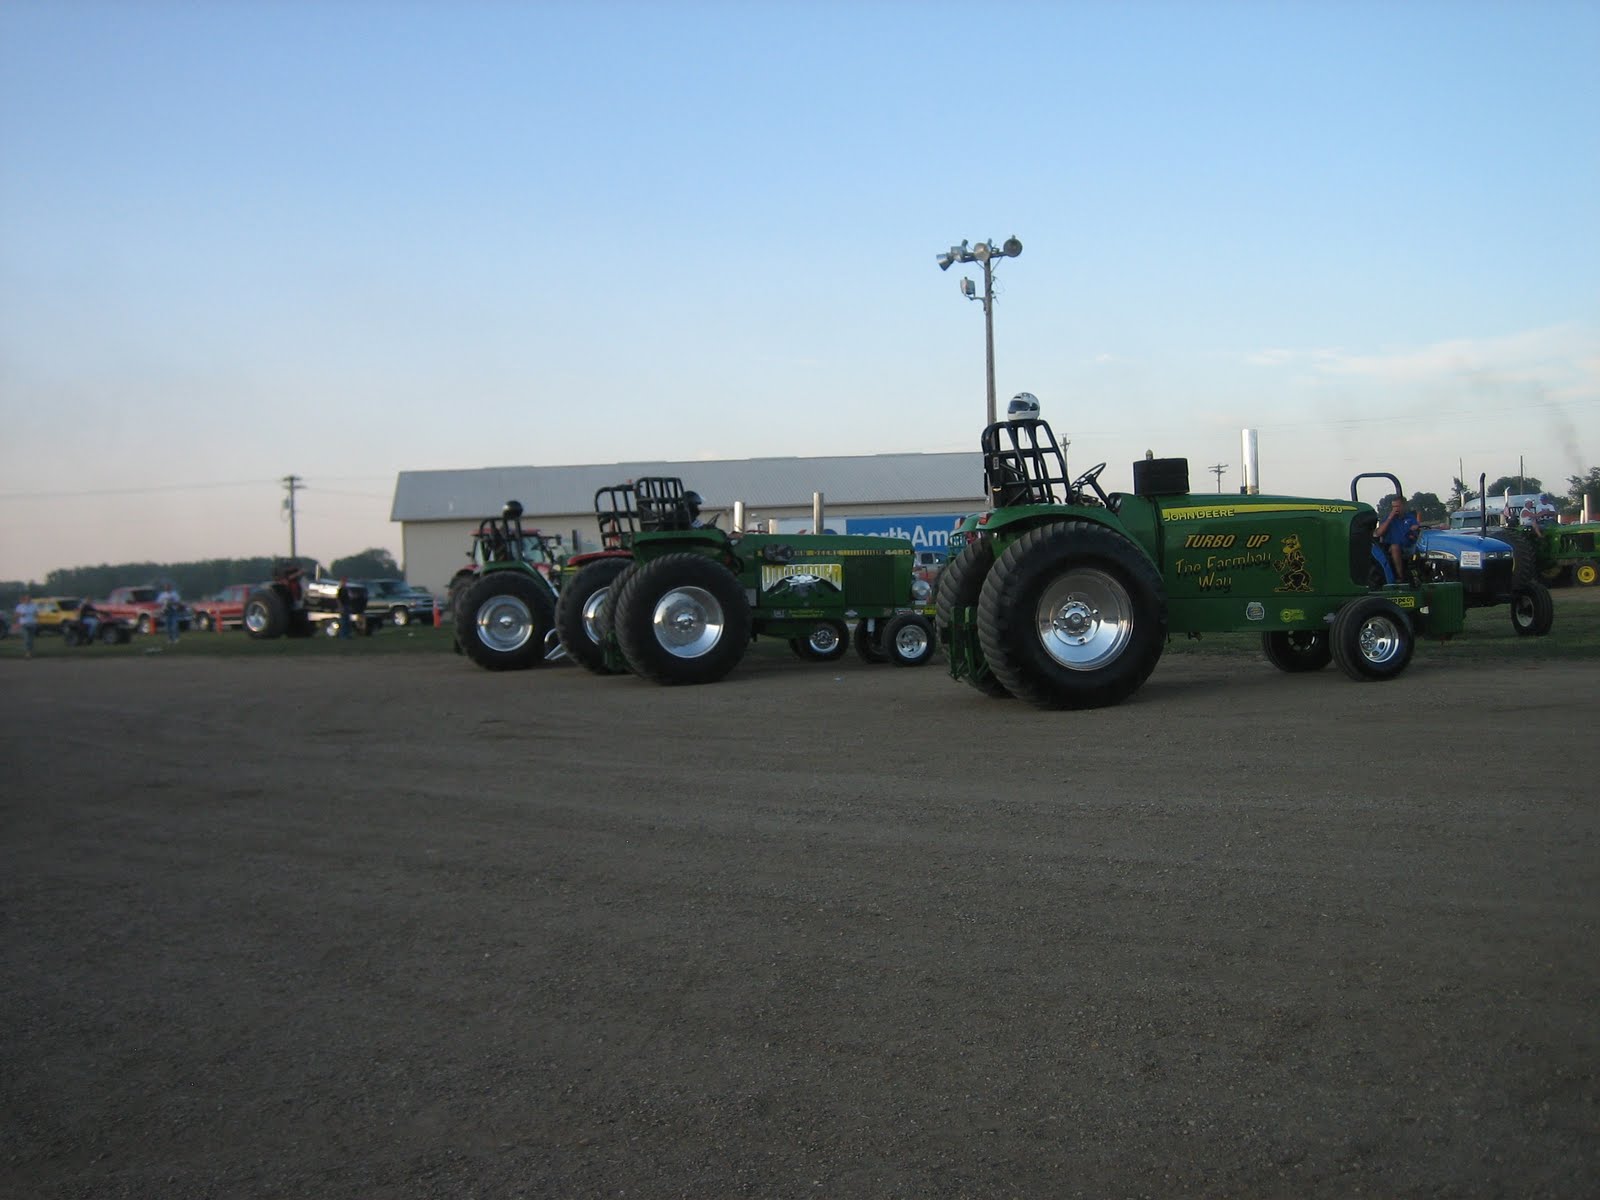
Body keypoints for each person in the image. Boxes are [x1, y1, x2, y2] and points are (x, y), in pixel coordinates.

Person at [1375, 496, 1421, 582]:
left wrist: (1415, 530)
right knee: (1395, 547)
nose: (1395, 509)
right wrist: (1390, 518)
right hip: (1391, 548)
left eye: (1398, 506)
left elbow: (1416, 530)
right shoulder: (1387, 519)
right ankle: (1400, 577)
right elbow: (1379, 533)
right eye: (1393, 507)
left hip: (1409, 546)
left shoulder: (1410, 518)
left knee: (1423, 549)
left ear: (1404, 506)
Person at [13, 594, 39, 658]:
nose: (28, 600)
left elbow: (37, 614)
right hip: (24, 624)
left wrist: (35, 614)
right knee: (26, 638)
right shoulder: (20, 606)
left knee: (31, 639)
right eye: (26, 598)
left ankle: (30, 652)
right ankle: (27, 653)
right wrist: (21, 615)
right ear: (24, 599)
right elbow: (15, 615)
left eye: (29, 598)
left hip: (32, 624)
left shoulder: (34, 606)